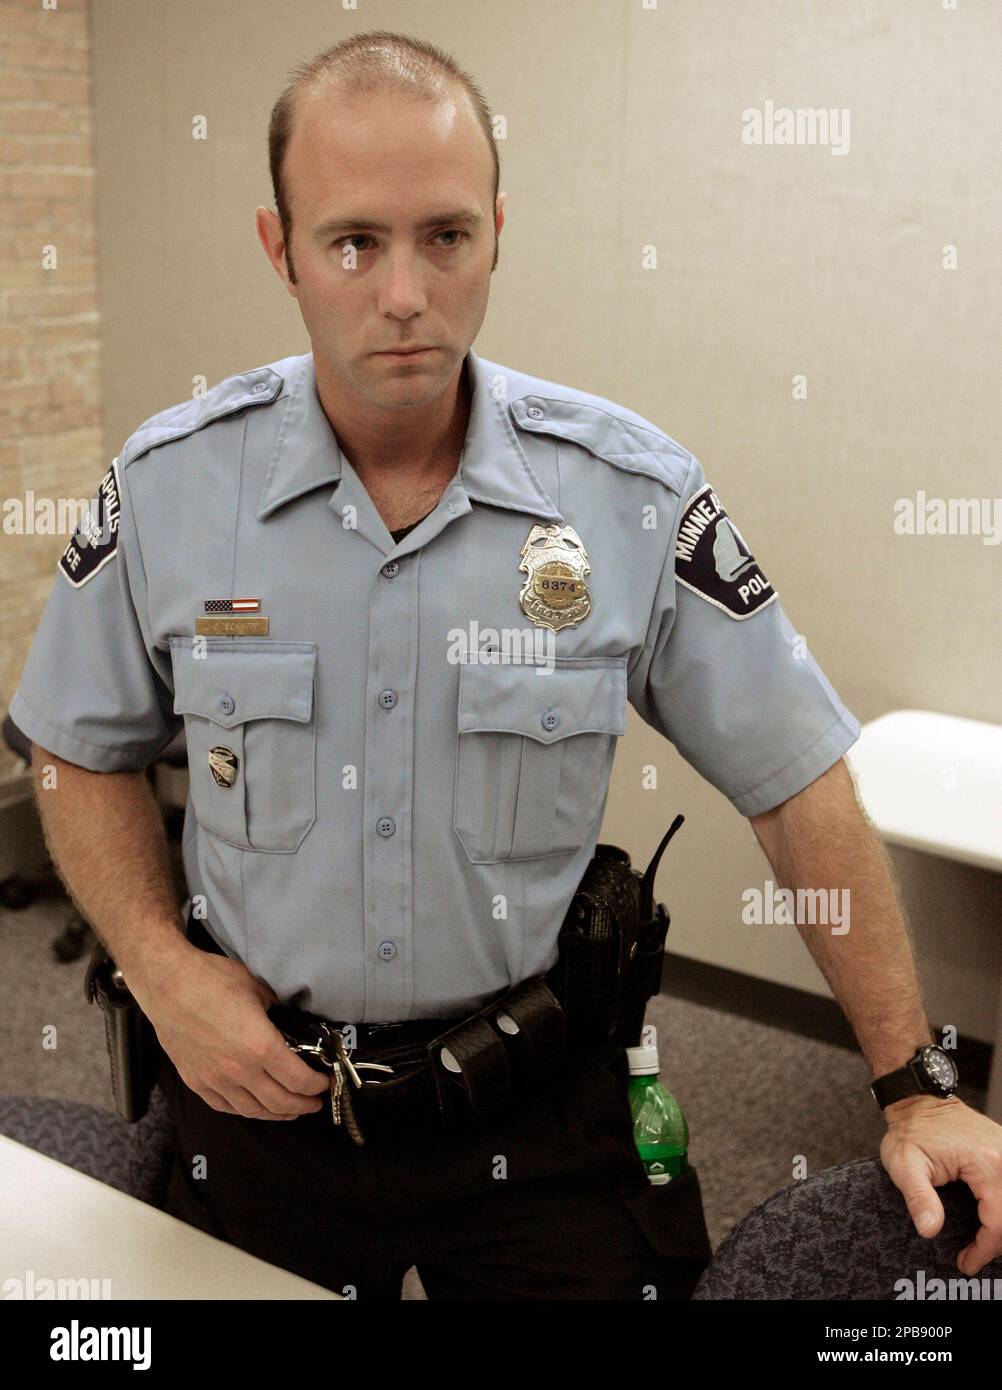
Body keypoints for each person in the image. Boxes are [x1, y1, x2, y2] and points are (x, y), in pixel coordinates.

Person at [12, 30, 1002, 1300]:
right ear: (283, 250)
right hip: (259, 1095)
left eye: (446, 236)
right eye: (353, 242)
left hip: (538, 1115)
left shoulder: (628, 496)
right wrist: (158, 969)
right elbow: (73, 751)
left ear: (497, 233)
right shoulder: (167, 491)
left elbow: (795, 780)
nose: (406, 293)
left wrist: (915, 1086)